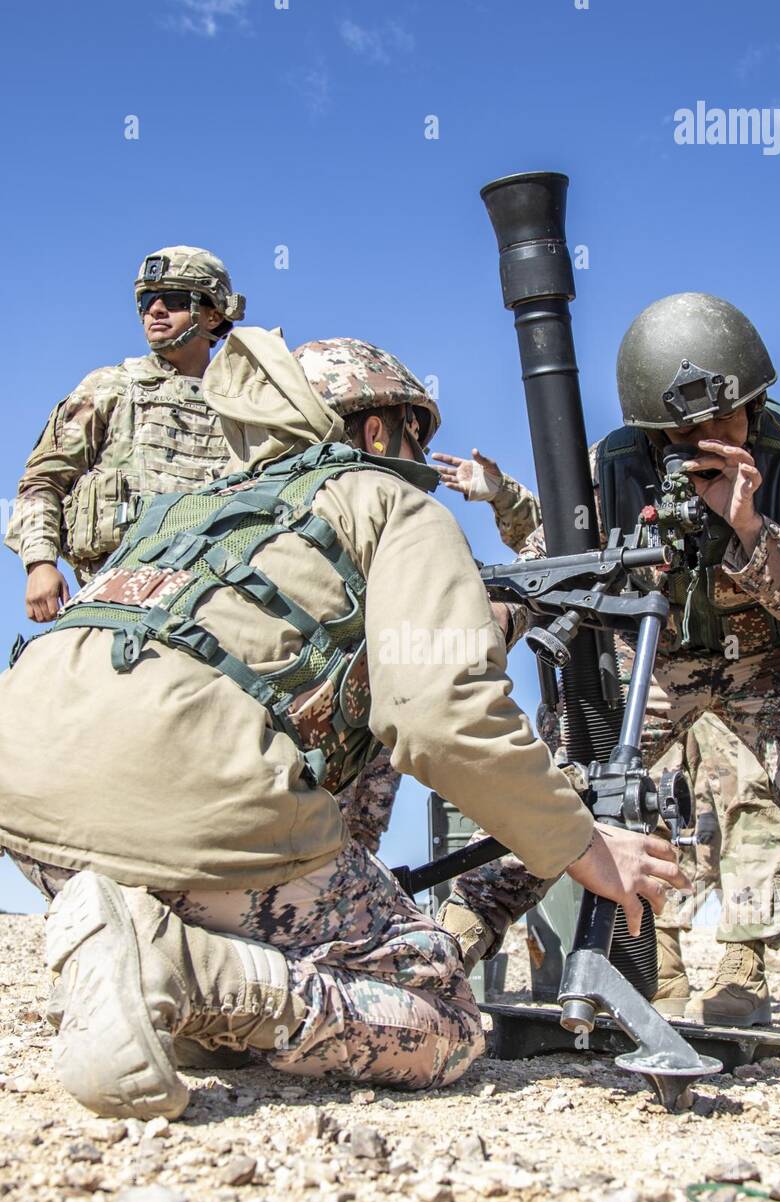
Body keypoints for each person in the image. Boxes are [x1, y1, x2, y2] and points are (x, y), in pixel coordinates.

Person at [0, 328, 687, 1119]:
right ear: (375, 431)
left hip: (33, 813)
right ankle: (176, 970)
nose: (420, 457)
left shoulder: (195, 510)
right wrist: (584, 846)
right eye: (413, 435)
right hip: (180, 819)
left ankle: (159, 964)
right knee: (444, 1022)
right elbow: (438, 717)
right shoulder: (392, 500)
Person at [435, 292, 780, 1055]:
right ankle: (430, 967)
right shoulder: (618, 463)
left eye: (721, 421)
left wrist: (749, 527)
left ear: (755, 401)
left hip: (777, 655)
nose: (702, 440)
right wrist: (498, 617)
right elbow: (557, 567)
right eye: (681, 431)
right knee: (548, 787)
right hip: (658, 652)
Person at [431, 448, 780, 1026]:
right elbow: (565, 540)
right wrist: (504, 497)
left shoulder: (768, 452)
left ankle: (743, 965)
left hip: (749, 653)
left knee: (745, 798)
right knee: (628, 798)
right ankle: (661, 964)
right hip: (652, 655)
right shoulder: (622, 463)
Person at [6, 246, 245, 621]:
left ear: (213, 315)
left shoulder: (242, 406)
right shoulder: (110, 387)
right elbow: (42, 481)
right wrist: (39, 563)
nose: (156, 310)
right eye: (148, 300)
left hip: (212, 603)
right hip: (111, 601)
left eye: (175, 299)